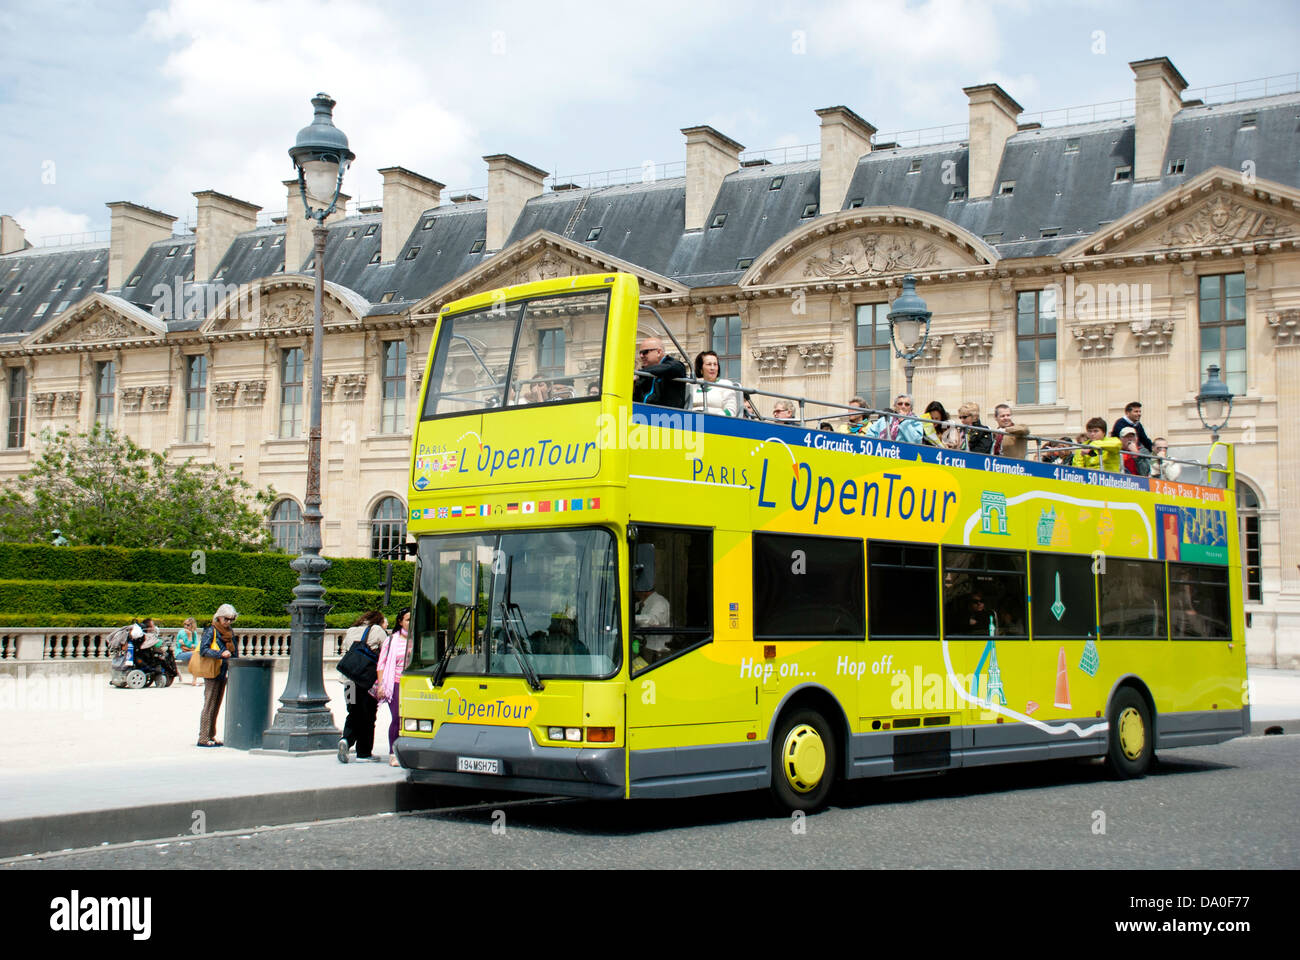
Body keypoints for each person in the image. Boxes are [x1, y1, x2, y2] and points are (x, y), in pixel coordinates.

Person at [338, 610, 387, 763]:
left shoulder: (351, 630)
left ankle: (346, 739)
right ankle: (363, 753)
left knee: (352, 711)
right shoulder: (377, 630)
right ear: (379, 621)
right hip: (366, 682)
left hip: (347, 681)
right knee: (367, 715)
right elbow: (387, 651)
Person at [195, 604, 238, 748]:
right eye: (226, 619)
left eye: (231, 619)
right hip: (212, 671)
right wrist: (220, 654)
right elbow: (203, 650)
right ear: (219, 617)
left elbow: (235, 652)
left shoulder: (229, 632)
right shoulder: (211, 630)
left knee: (216, 704)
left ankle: (211, 735)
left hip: (223, 671)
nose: (228, 622)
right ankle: (203, 737)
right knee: (209, 704)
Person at [375, 607, 411, 767]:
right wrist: (382, 684)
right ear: (400, 621)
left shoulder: (419, 639)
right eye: (407, 620)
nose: (410, 623)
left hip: (413, 684)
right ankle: (392, 753)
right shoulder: (391, 640)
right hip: (395, 683)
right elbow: (381, 664)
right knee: (397, 717)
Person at [632, 336, 688, 408]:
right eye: (640, 353)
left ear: (658, 352)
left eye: (645, 352)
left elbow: (670, 368)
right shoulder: (645, 372)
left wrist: (639, 374)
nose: (641, 356)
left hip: (667, 416)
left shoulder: (675, 365)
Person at [687, 350, 740, 417]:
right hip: (691, 422)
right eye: (709, 364)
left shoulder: (726, 385)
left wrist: (711, 419)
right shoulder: (691, 385)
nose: (713, 368)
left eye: (715, 364)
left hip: (716, 423)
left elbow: (730, 411)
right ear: (701, 369)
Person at [176, 616, 200, 685]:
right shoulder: (181, 633)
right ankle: (194, 680)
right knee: (196, 654)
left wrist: (186, 644)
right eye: (184, 624)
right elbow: (187, 645)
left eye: (188, 625)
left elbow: (196, 645)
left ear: (192, 625)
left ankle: (195, 679)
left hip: (189, 653)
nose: (185, 626)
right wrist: (189, 636)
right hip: (180, 653)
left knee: (197, 654)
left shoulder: (194, 633)